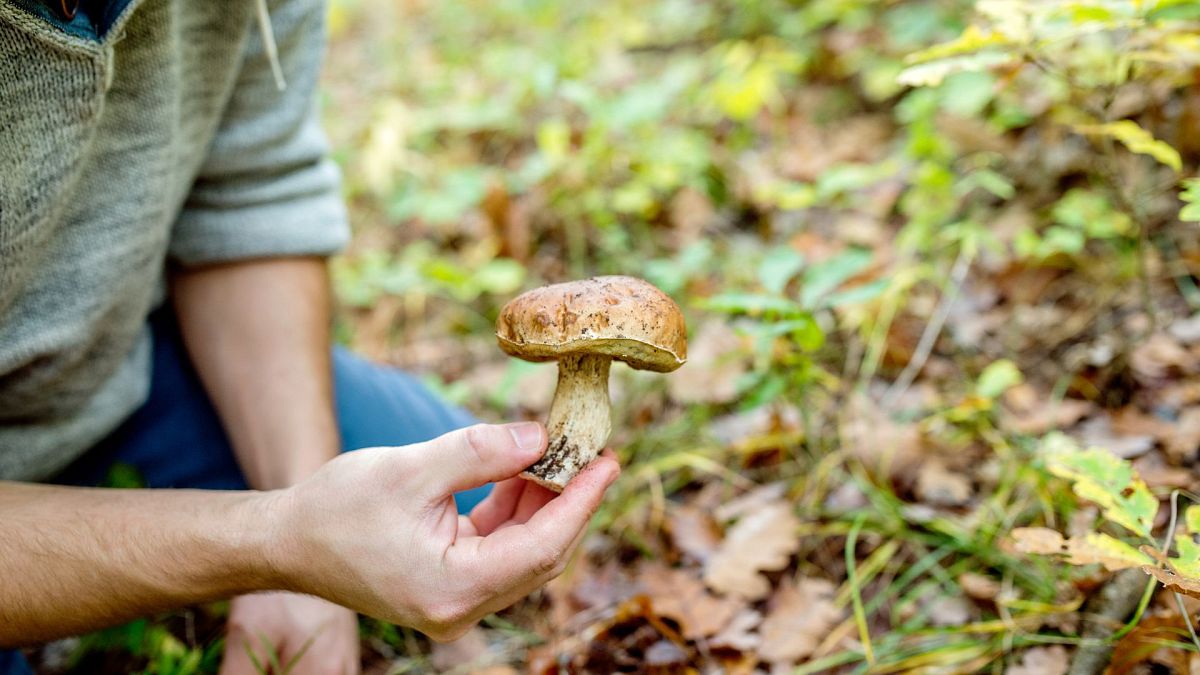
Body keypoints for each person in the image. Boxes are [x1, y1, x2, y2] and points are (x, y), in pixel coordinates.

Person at [0, 0, 619, 673]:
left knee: (481, 514)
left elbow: (250, 191)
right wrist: (276, 543)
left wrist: (302, 518)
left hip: (112, 368)